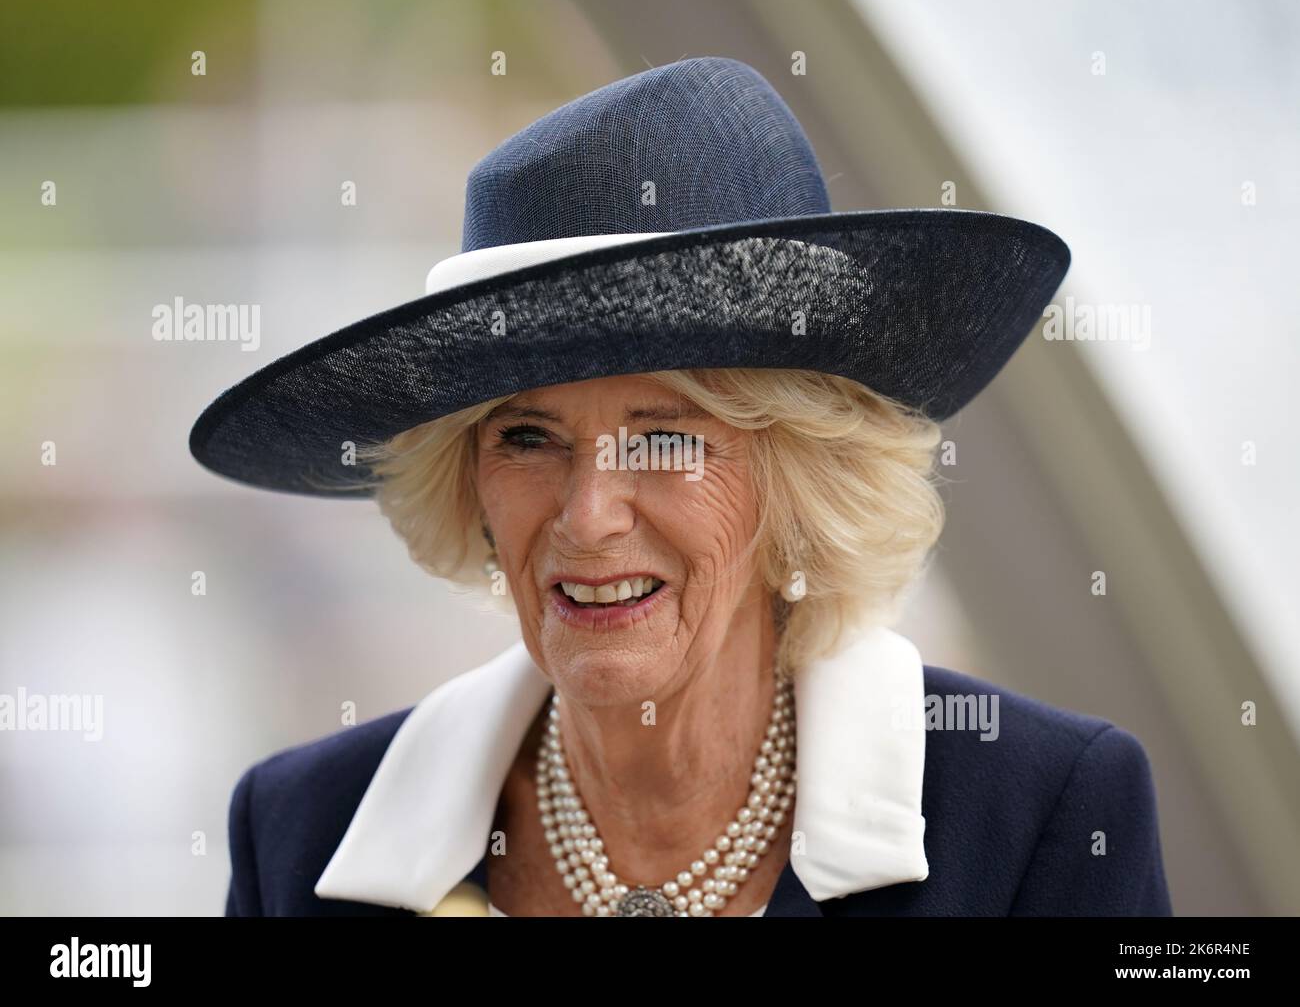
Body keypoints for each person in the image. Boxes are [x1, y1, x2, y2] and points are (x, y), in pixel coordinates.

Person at [192, 57, 1172, 917]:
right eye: (528, 438)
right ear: (470, 490)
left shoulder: (1038, 813)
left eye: (662, 438)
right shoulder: (301, 836)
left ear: (796, 478)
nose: (588, 516)